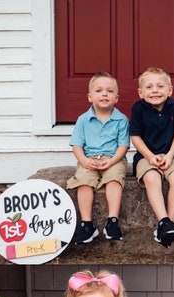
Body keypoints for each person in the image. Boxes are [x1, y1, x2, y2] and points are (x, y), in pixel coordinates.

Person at [66, 71, 130, 243]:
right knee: (84, 181)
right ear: (90, 97)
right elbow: (77, 145)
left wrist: (113, 161)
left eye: (109, 91)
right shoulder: (83, 120)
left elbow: (123, 145)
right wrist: (84, 160)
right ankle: (87, 224)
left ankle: (112, 221)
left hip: (113, 159)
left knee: (114, 179)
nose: (104, 94)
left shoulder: (121, 120)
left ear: (116, 98)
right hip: (89, 159)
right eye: (99, 90)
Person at [130, 67, 174, 248]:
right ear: (141, 93)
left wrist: (170, 156)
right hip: (146, 156)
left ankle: (167, 226)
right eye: (149, 87)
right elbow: (135, 137)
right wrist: (150, 156)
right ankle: (163, 221)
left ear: (169, 90)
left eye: (160, 86)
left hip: (172, 154)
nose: (155, 90)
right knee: (151, 177)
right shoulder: (138, 109)